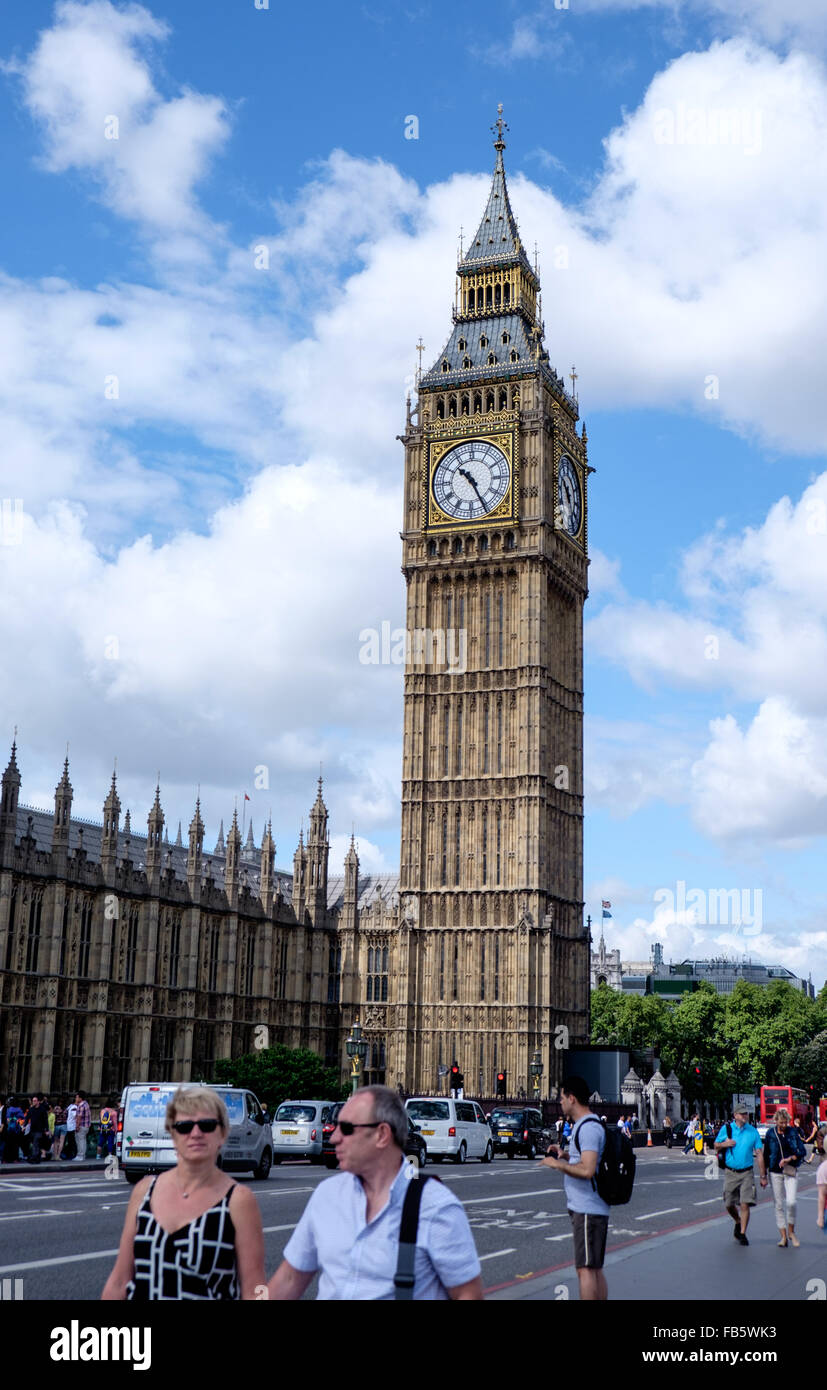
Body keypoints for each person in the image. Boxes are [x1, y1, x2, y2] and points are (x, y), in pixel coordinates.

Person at [267, 1085, 483, 1300]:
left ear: (382, 1135)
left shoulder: (436, 1207)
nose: (334, 1138)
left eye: (347, 1128)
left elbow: (467, 1294)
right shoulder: (327, 1194)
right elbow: (289, 1279)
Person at [102, 1086, 266, 1300]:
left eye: (207, 1125)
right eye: (184, 1126)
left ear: (223, 1133)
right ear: (172, 1133)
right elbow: (120, 1281)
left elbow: (256, 1288)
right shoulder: (144, 1191)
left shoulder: (239, 1200)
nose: (195, 1133)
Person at [540, 1075, 609, 1301]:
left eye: (561, 1098)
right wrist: (566, 1156)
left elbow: (588, 1170)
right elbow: (587, 1159)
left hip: (588, 1207)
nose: (559, 1103)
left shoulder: (588, 1127)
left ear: (572, 1098)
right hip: (589, 1207)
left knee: (586, 1270)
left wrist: (557, 1165)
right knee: (594, 1268)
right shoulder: (585, 1125)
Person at [714, 1102, 767, 1246]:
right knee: (729, 1203)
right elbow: (716, 1145)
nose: (746, 1116)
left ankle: (742, 1233)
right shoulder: (727, 1129)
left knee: (745, 1203)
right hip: (731, 1172)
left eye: (746, 1113)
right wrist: (726, 1144)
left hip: (747, 1172)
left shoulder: (753, 1131)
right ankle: (737, 1220)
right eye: (743, 1113)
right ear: (735, 1115)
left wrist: (763, 1176)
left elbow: (759, 1154)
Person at [764, 1108, 806, 1247]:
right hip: (775, 1171)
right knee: (778, 1204)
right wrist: (763, 1175)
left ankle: (791, 1232)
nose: (783, 1125)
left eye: (786, 1122)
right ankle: (783, 1236)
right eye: (781, 1123)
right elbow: (766, 1155)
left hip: (790, 1170)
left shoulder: (792, 1132)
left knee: (791, 1202)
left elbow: (802, 1151)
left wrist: (789, 1159)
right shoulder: (771, 1134)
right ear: (776, 1121)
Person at [26, 1093, 49, 1164]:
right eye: (33, 1101)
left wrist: (47, 1130)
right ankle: (37, 1157)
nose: (34, 1102)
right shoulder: (31, 1109)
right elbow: (27, 1118)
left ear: (38, 1101)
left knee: (36, 1142)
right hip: (32, 1129)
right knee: (34, 1143)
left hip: (39, 1130)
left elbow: (45, 1120)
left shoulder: (42, 1110)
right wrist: (24, 1125)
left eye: (35, 1101)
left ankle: (34, 1157)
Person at [2, 1096, 25, 1163]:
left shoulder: (8, 1109)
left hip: (9, 1129)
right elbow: (22, 1119)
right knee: (15, 1144)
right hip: (16, 1130)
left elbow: (7, 1120)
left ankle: (5, 1159)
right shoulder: (19, 1110)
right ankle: (15, 1159)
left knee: (7, 1145)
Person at [74, 1091, 91, 1162]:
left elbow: (79, 1117)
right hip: (86, 1126)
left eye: (77, 1097)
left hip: (81, 1125)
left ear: (80, 1098)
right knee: (83, 1140)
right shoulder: (86, 1104)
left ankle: (80, 1155)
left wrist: (77, 1126)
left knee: (80, 1140)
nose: (76, 1098)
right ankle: (82, 1155)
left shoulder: (81, 1106)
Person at [52, 1097, 68, 1161]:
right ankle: (58, 1155)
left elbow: (54, 1116)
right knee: (62, 1141)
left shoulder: (55, 1108)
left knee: (56, 1141)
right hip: (64, 1125)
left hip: (57, 1125)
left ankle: (55, 1155)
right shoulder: (66, 1109)